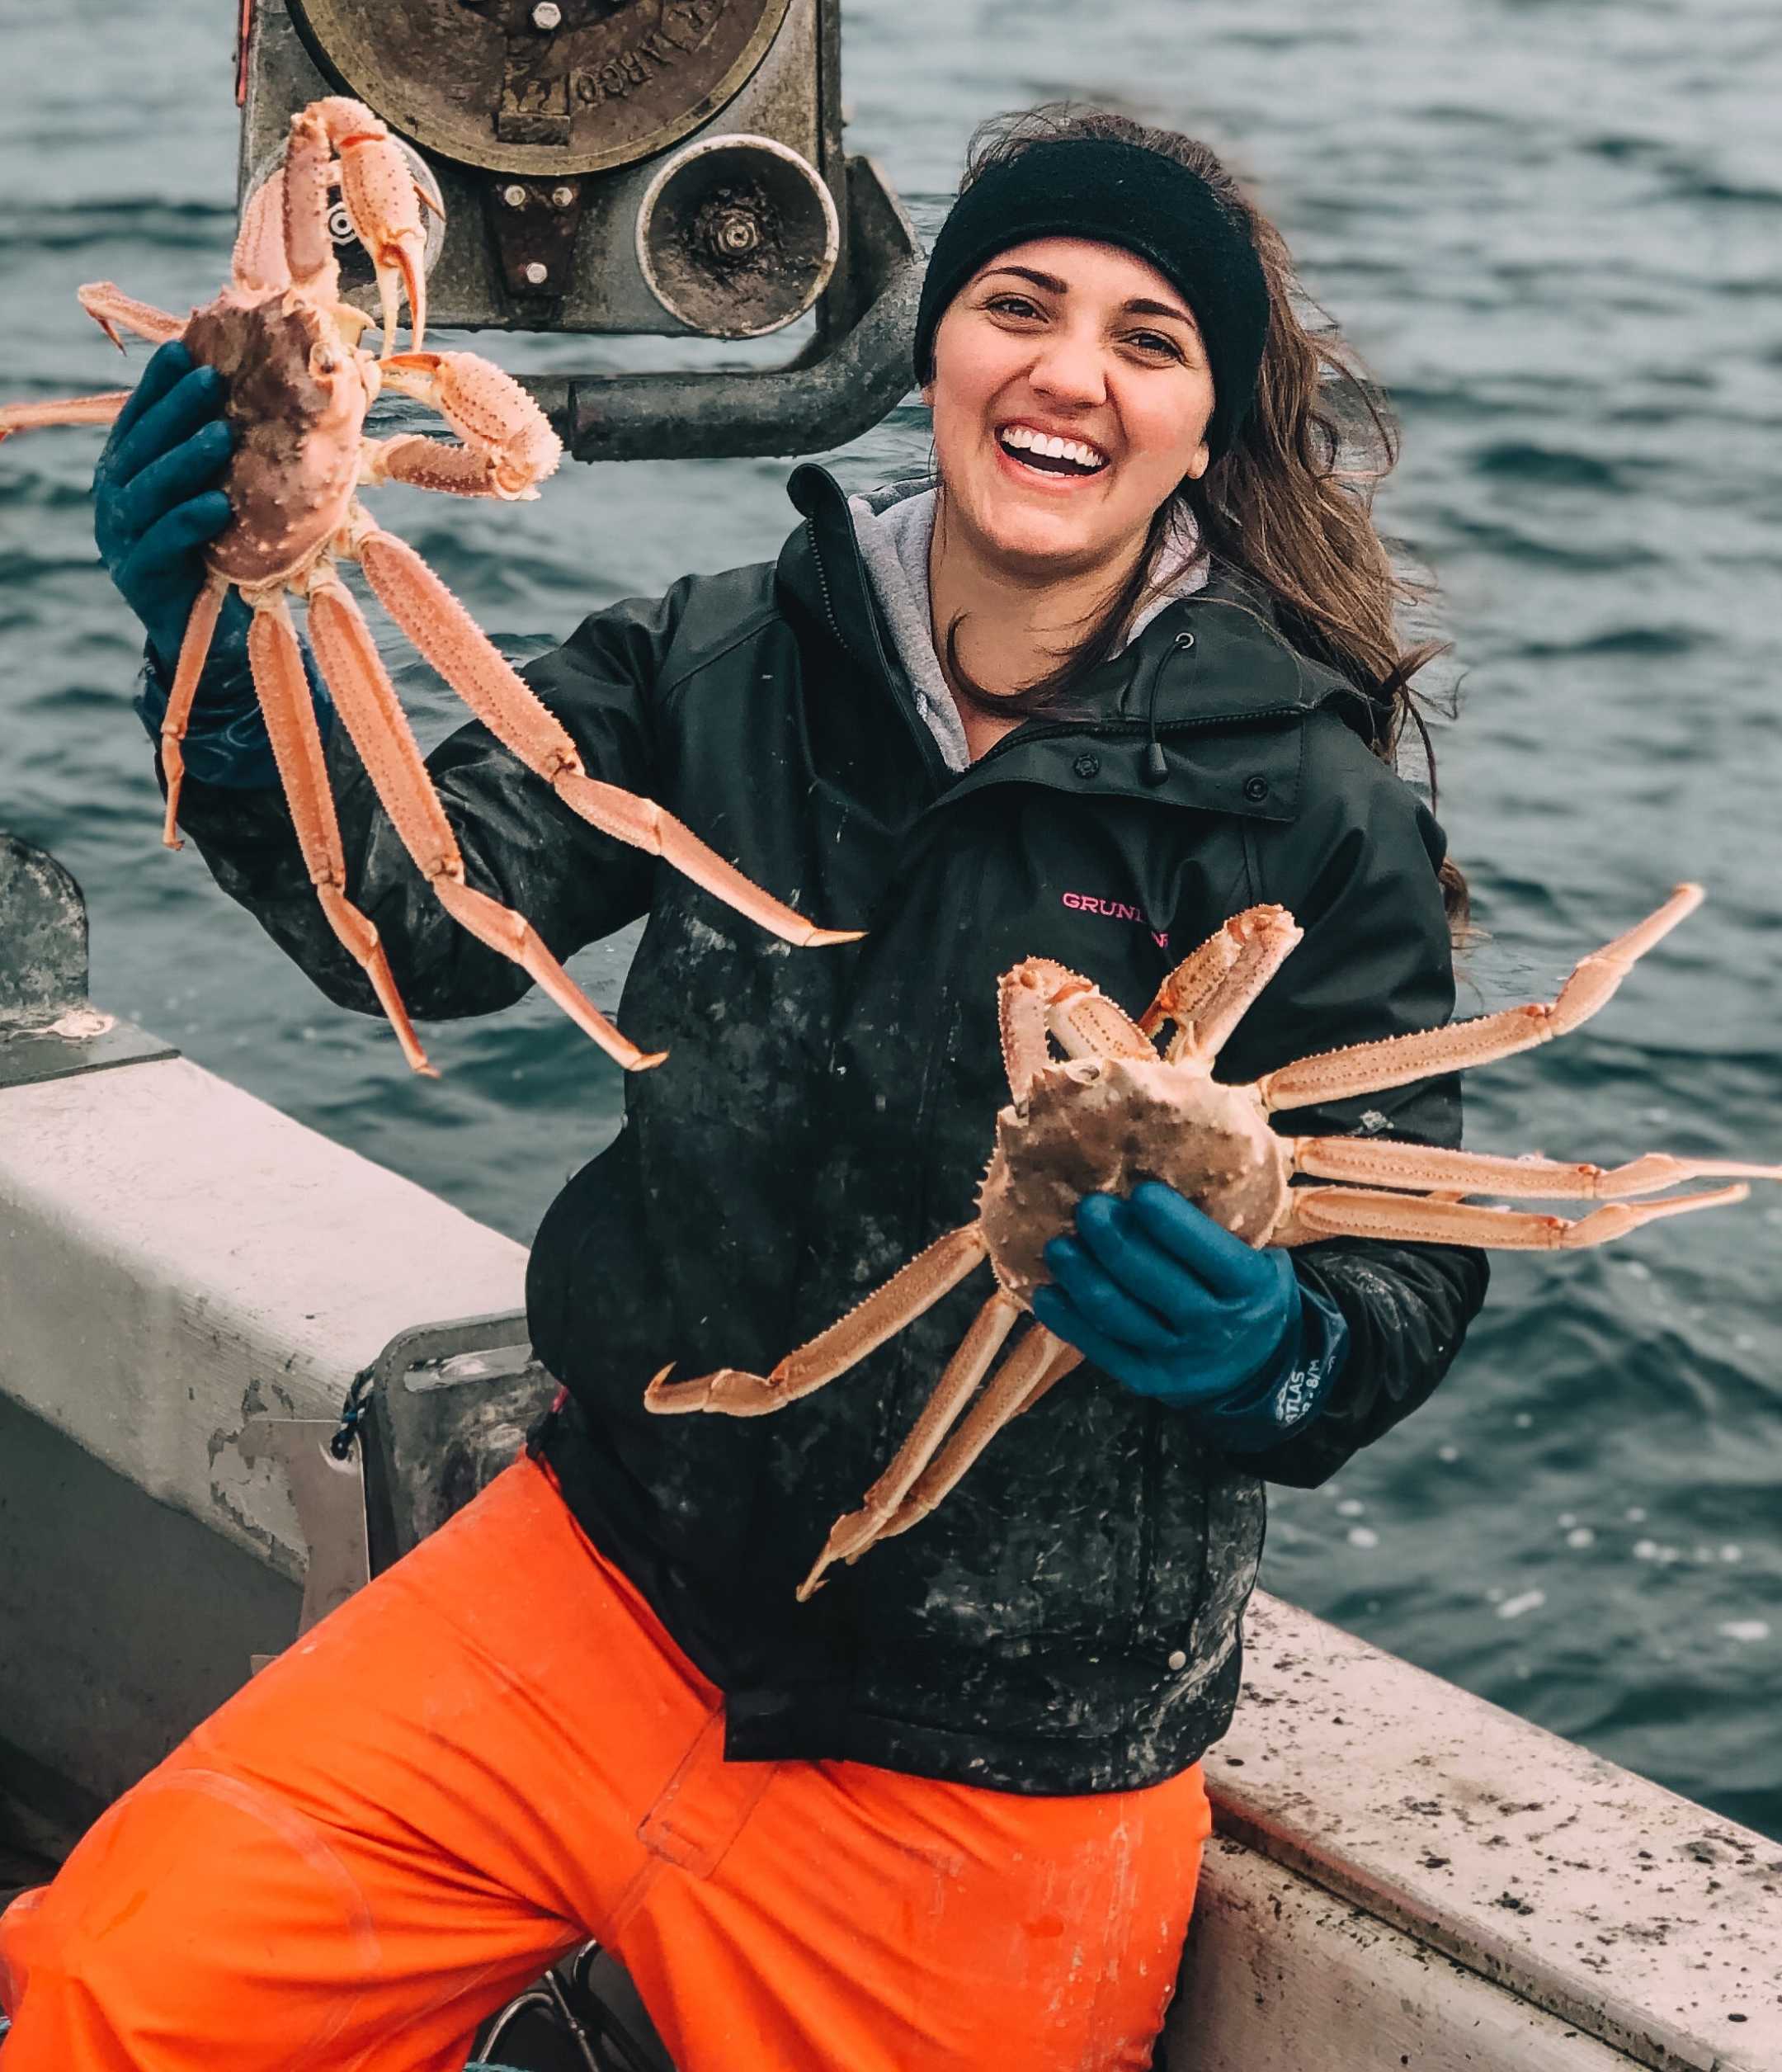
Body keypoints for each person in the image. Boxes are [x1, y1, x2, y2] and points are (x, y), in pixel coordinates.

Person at [0, 106, 1487, 2072]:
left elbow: (1408, 1272)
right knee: (111, 1995)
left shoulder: (1304, 807)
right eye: (1018, 307)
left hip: (1003, 1742)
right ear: (937, 355)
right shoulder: (717, 659)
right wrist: (205, 614)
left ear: (1206, 431)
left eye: (1148, 341)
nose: (1068, 371)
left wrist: (1273, 1354)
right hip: (597, 1584)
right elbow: (416, 919)